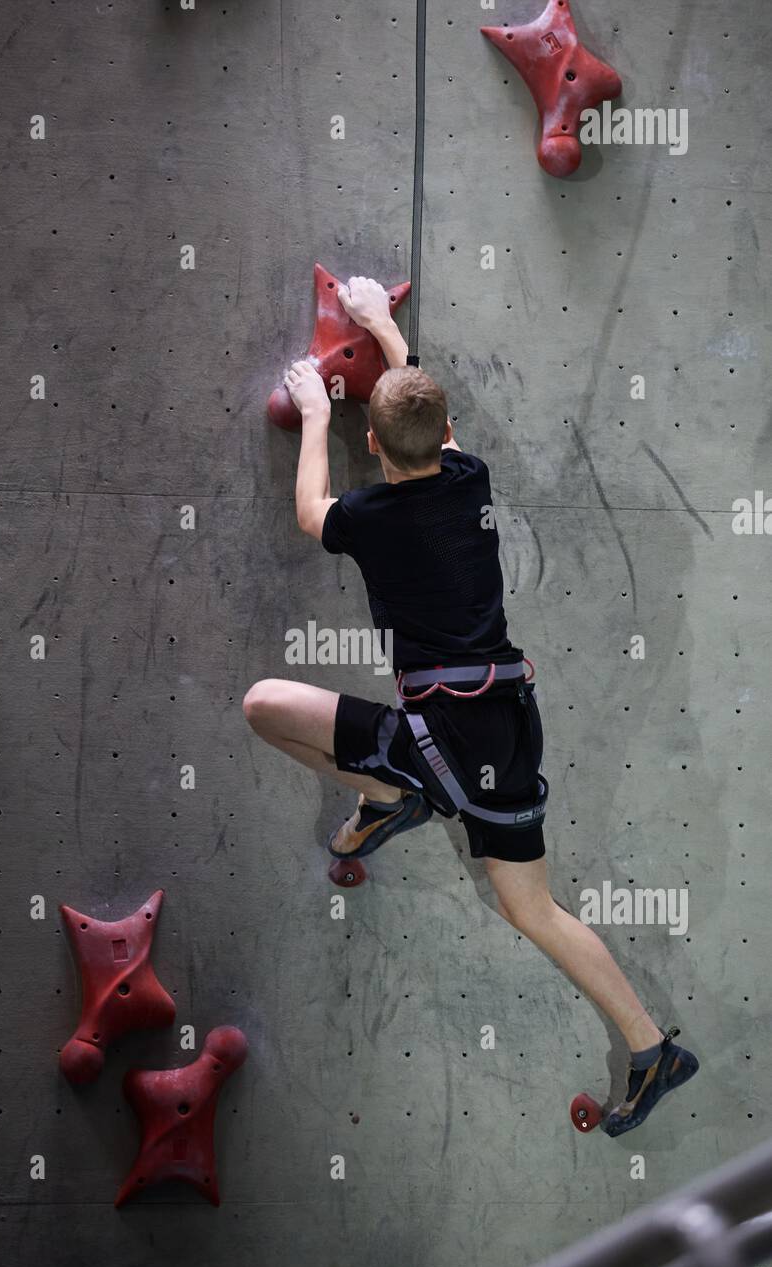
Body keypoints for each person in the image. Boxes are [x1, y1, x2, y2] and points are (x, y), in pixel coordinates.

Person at [245, 276, 698, 1136]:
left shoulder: (372, 516)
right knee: (533, 906)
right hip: (504, 719)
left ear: (371, 447)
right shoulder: (468, 477)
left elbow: (311, 512)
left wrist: (311, 412)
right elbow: (421, 408)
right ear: (443, 442)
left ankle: (393, 793)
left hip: (442, 738)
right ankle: (651, 1049)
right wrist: (382, 326)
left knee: (264, 703)